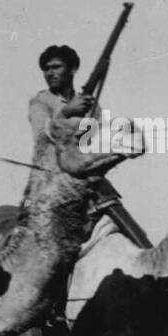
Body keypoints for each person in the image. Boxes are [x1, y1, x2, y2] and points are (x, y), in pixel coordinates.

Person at [29, 44, 148, 247]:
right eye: (46, 69)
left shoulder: (90, 106)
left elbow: (98, 141)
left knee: (135, 238)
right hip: (56, 185)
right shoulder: (41, 102)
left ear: (72, 69)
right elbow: (43, 140)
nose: (50, 73)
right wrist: (66, 112)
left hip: (91, 182)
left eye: (56, 67)